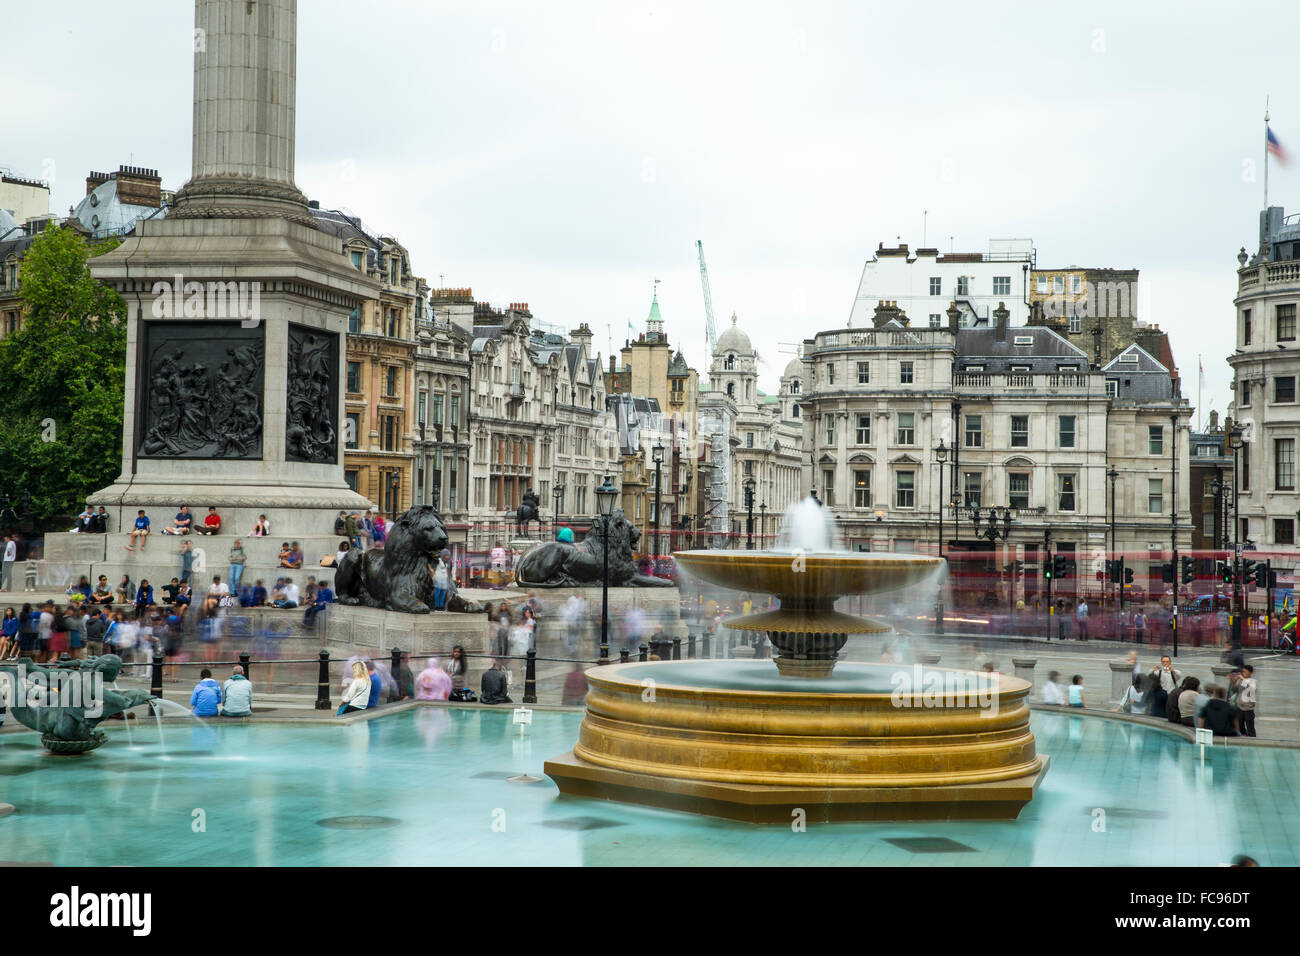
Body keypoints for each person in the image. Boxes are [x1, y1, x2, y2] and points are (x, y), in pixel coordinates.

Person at [1237, 665, 1258, 737]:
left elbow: (1251, 688)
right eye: (1243, 671)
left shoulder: (1253, 681)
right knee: (1240, 725)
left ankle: (1252, 738)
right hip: (1240, 706)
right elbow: (1235, 689)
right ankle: (1243, 735)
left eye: (1245, 672)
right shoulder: (1240, 680)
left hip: (1248, 708)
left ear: (1250, 673)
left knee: (1250, 727)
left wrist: (1243, 679)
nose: (1243, 673)